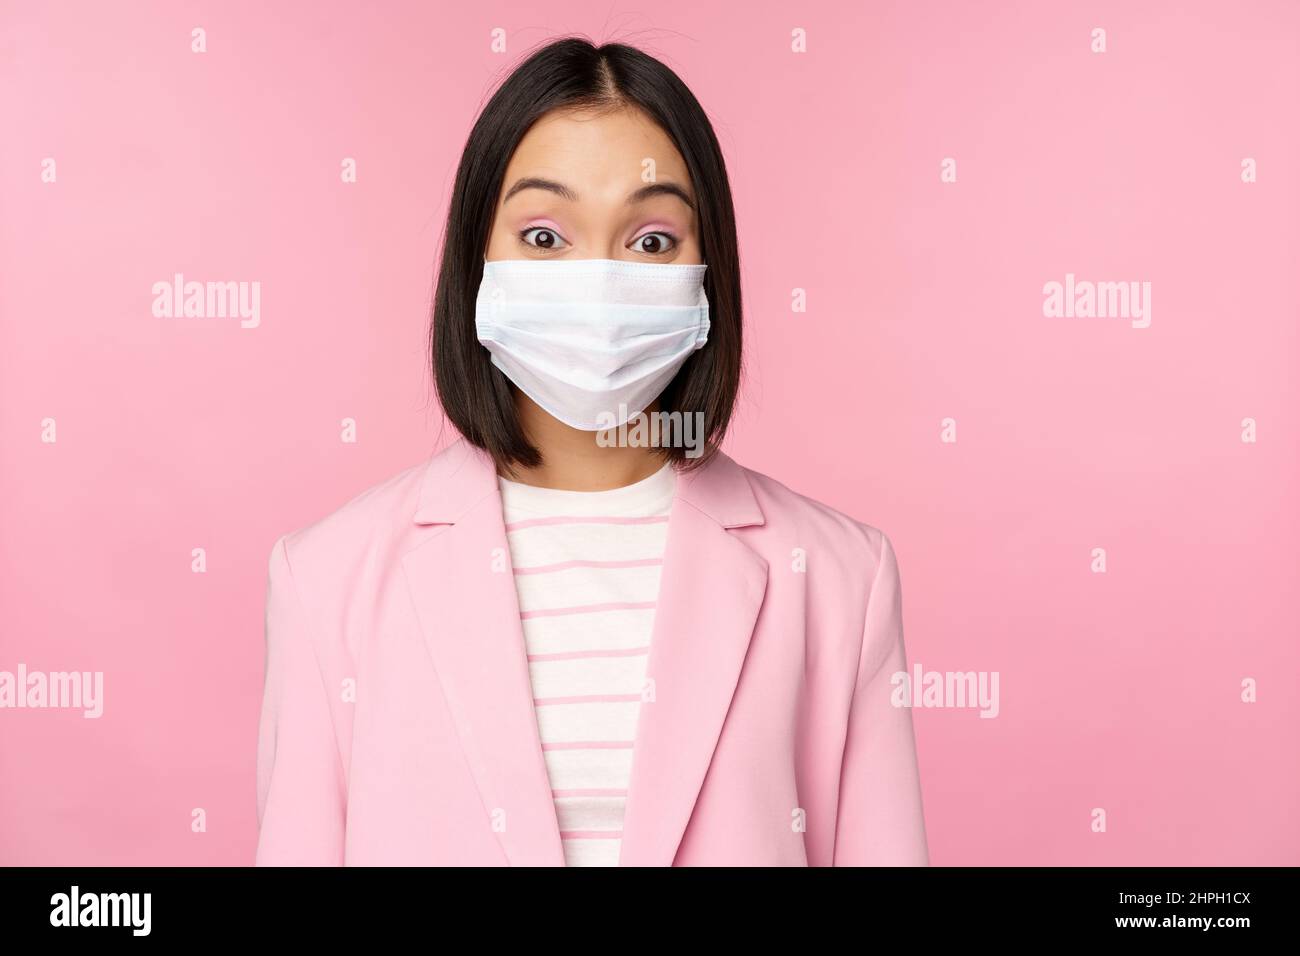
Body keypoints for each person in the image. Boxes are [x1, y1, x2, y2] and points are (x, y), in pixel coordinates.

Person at [255, 36, 928, 867]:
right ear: (477, 265)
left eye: (650, 242)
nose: (598, 281)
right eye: (544, 237)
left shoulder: (839, 580)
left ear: (708, 274)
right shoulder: (327, 579)